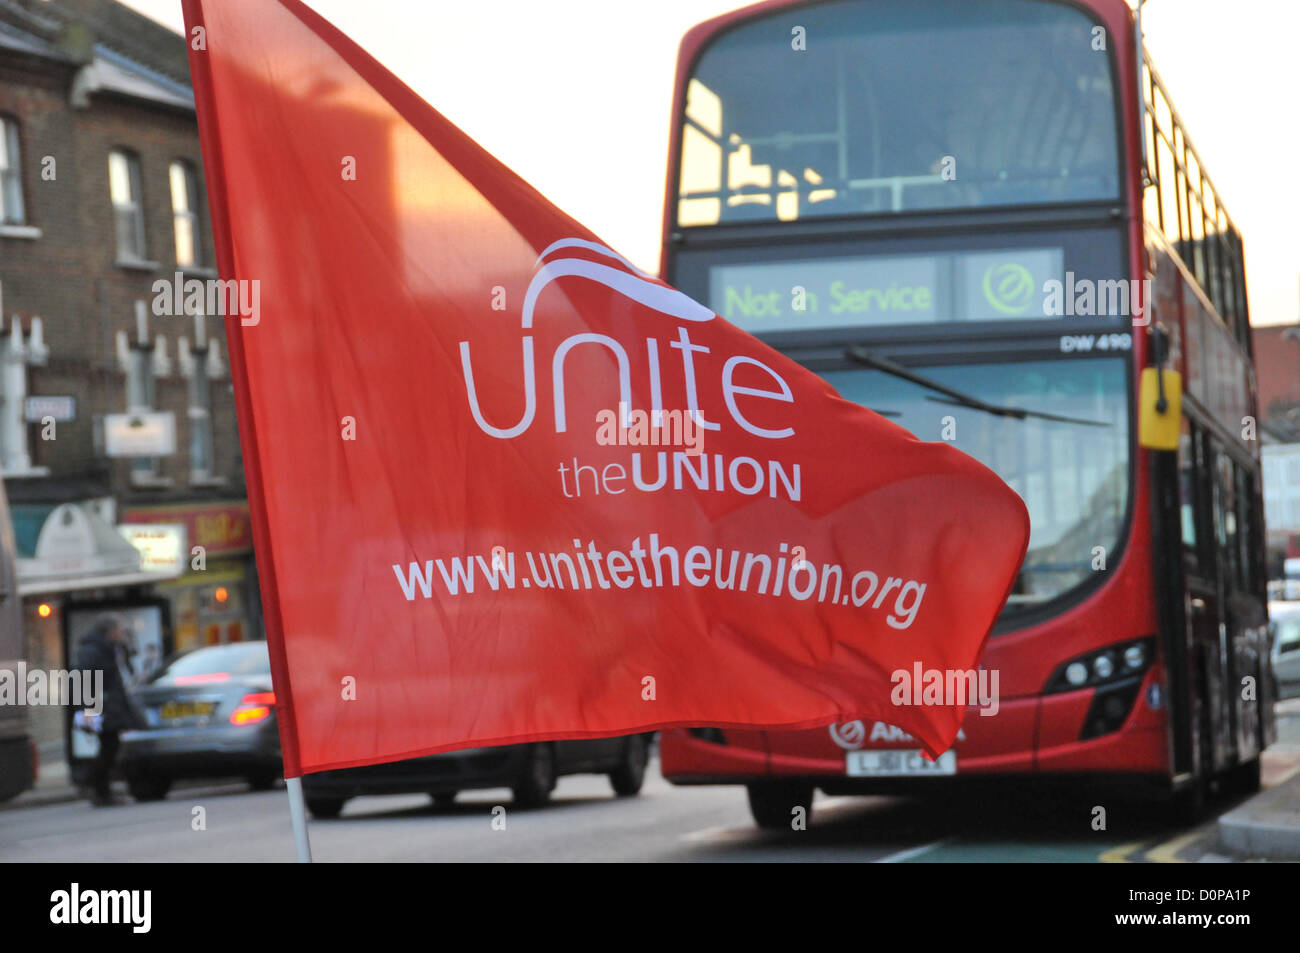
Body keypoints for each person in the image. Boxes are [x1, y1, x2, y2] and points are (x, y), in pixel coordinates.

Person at [73, 614, 139, 807]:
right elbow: (84, 680)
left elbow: (127, 668)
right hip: (100, 707)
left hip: (110, 706)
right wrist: (87, 710)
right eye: (119, 630)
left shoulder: (110, 649)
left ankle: (100, 790)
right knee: (109, 748)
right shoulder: (93, 651)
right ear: (110, 631)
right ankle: (95, 786)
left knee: (110, 747)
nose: (121, 634)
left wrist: (126, 646)